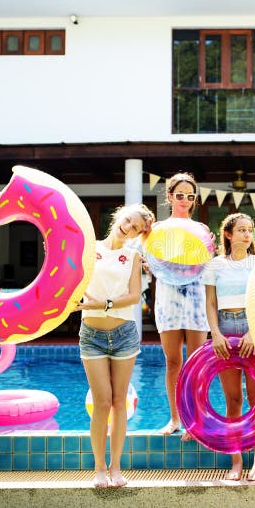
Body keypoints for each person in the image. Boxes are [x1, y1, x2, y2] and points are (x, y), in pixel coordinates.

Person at [75, 203, 155, 488]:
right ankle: (98, 469)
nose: (129, 227)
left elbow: (134, 297)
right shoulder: (88, 247)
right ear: (120, 215)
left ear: (138, 234)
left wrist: (104, 304)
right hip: (92, 334)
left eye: (136, 228)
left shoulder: (133, 256)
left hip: (123, 334)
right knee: (102, 403)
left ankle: (116, 467)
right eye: (129, 220)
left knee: (120, 402)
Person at [203, 212, 255, 481]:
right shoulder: (214, 265)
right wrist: (215, 334)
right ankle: (236, 462)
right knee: (234, 400)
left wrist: (254, 331)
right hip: (225, 328)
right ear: (228, 234)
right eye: (241, 230)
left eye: (250, 230)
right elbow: (210, 303)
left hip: (254, 327)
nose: (247, 234)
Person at [155, 173, 211, 438]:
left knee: (197, 361)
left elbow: (206, 263)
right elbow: (152, 261)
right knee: (173, 361)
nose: (185, 201)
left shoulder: (201, 229)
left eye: (190, 196)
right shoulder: (157, 229)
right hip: (168, 296)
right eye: (180, 196)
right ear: (169, 197)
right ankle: (175, 418)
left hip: (197, 297)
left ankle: (195, 419)